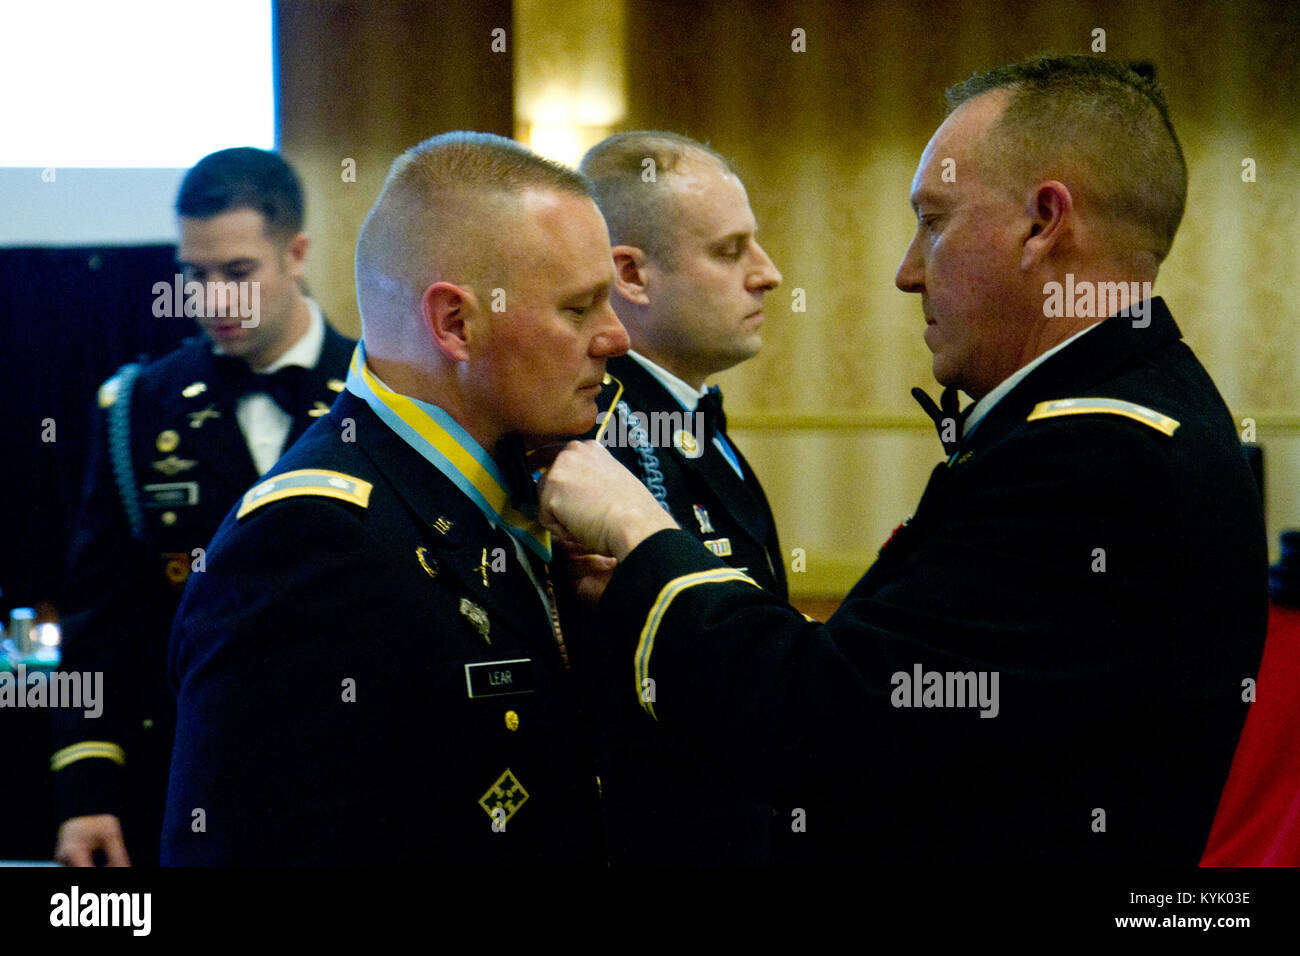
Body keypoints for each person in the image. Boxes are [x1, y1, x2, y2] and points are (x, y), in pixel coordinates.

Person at [538, 54, 1268, 864]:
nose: (907, 271)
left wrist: (642, 541)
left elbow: (830, 723)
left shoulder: (1098, 453)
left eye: (933, 218)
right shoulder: (1127, 411)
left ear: (1043, 222)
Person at [161, 132, 630, 865]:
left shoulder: (529, 484)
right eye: (580, 307)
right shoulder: (309, 540)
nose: (616, 336)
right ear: (455, 324)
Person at [52, 147, 355, 867]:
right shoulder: (137, 408)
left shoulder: (377, 392)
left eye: (238, 274)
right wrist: (87, 788)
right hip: (189, 787)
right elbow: (100, 619)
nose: (213, 300)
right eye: (194, 275)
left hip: (351, 781)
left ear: (297, 253)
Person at [575, 131, 788, 864]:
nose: (769, 274)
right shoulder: (592, 437)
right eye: (731, 252)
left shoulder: (695, 419)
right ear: (630, 273)